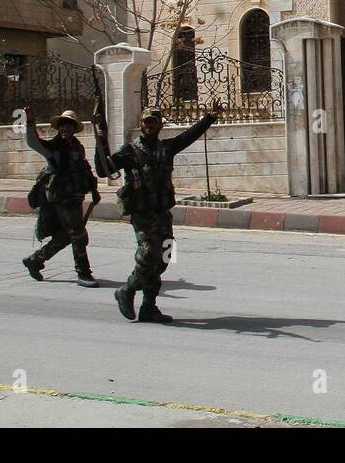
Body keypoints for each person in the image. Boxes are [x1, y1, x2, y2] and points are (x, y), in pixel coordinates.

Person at [93, 102, 221, 323]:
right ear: (141, 124)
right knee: (149, 253)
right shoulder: (129, 151)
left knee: (164, 257)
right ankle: (127, 289)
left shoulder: (166, 148)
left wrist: (209, 118)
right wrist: (101, 141)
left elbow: (188, 136)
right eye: (146, 122)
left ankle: (149, 307)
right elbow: (103, 169)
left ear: (160, 125)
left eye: (154, 121)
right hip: (142, 214)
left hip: (163, 213)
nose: (150, 125)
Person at [21, 109, 101, 287]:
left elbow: (85, 169)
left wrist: (94, 189)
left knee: (67, 236)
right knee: (78, 234)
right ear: (59, 128)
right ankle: (83, 273)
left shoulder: (77, 147)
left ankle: (35, 260)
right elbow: (33, 142)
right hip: (61, 198)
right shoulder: (54, 148)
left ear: (74, 129)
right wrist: (30, 122)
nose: (66, 129)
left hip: (76, 196)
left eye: (69, 126)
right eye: (63, 125)